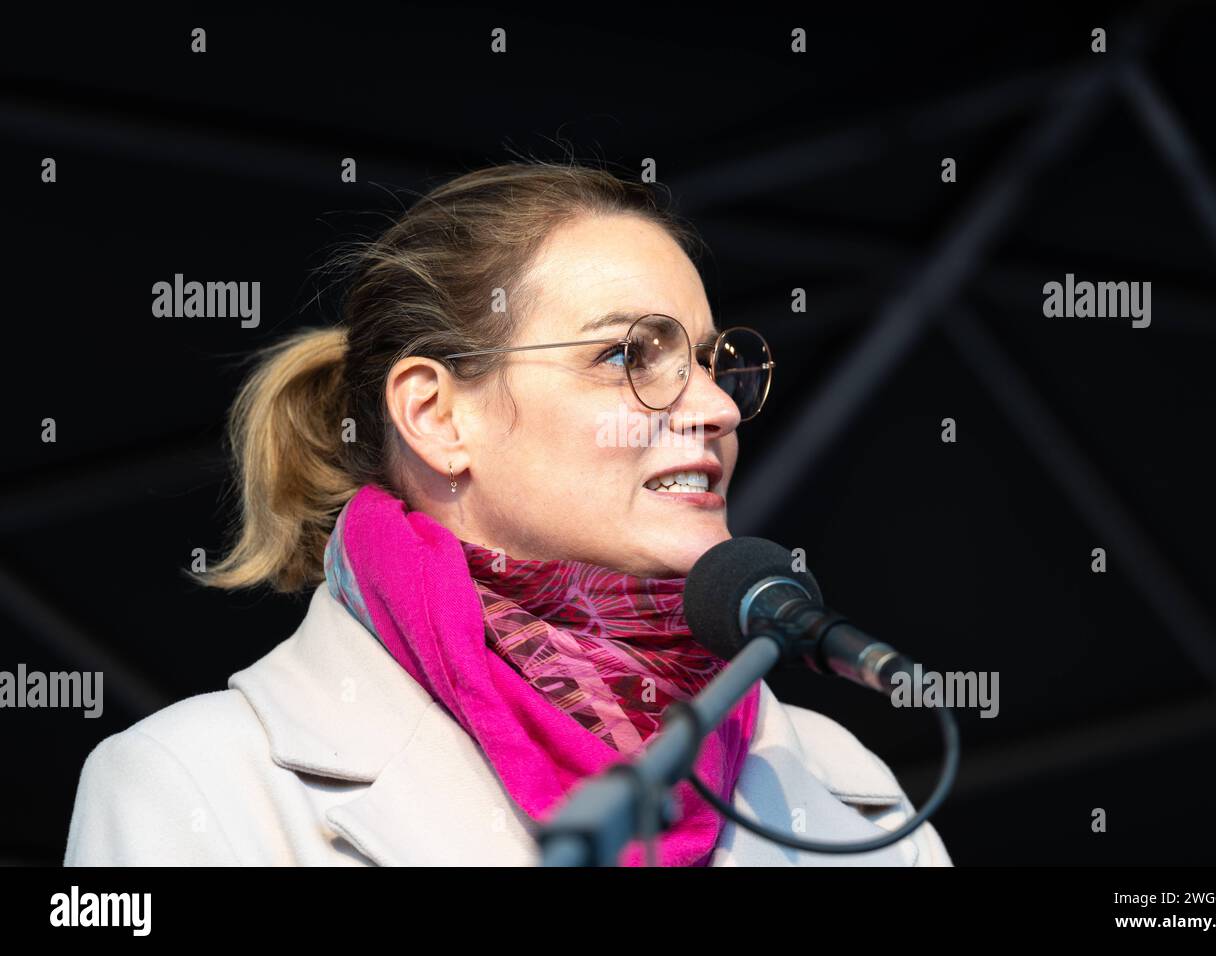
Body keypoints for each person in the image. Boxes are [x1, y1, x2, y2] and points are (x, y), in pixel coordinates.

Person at [63, 160, 953, 867]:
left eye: (714, 361)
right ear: (438, 416)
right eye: (626, 354)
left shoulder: (848, 791)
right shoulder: (198, 781)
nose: (715, 408)